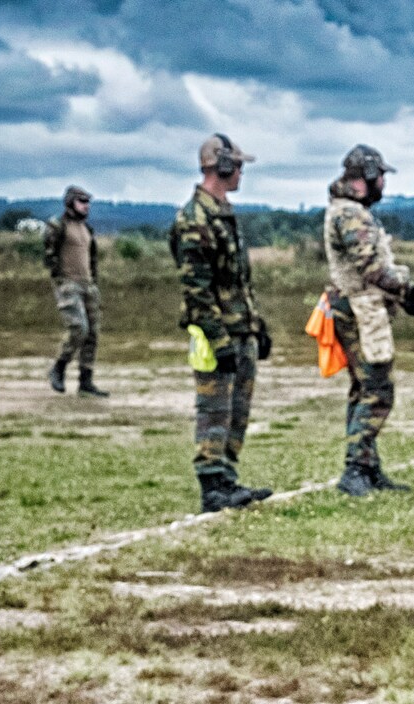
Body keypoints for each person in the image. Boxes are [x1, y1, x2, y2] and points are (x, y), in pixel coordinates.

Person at [323, 144, 414, 497]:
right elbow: (371, 269)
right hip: (360, 308)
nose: (383, 187)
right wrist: (408, 294)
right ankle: (356, 469)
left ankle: (368, 467)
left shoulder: (348, 210)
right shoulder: (351, 215)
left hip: (358, 305)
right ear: (368, 178)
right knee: (377, 390)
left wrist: (404, 294)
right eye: (380, 179)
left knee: (365, 388)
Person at [169, 133, 272, 513]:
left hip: (240, 327)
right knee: (214, 407)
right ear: (222, 166)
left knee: (237, 409)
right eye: (238, 165)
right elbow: (197, 290)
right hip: (217, 332)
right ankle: (212, 483)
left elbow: (238, 281)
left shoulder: (224, 213)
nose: (242, 172)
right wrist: (219, 339)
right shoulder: (194, 219)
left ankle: (227, 477)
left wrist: (257, 326)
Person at [41, 185, 105, 398]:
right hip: (68, 284)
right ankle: (59, 368)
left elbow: (92, 257)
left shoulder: (87, 229)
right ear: (70, 203)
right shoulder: (58, 226)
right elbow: (49, 255)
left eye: (87, 202)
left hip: (88, 284)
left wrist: (93, 281)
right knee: (79, 328)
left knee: (92, 334)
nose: (86, 206)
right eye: (81, 202)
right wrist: (59, 279)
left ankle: (86, 381)